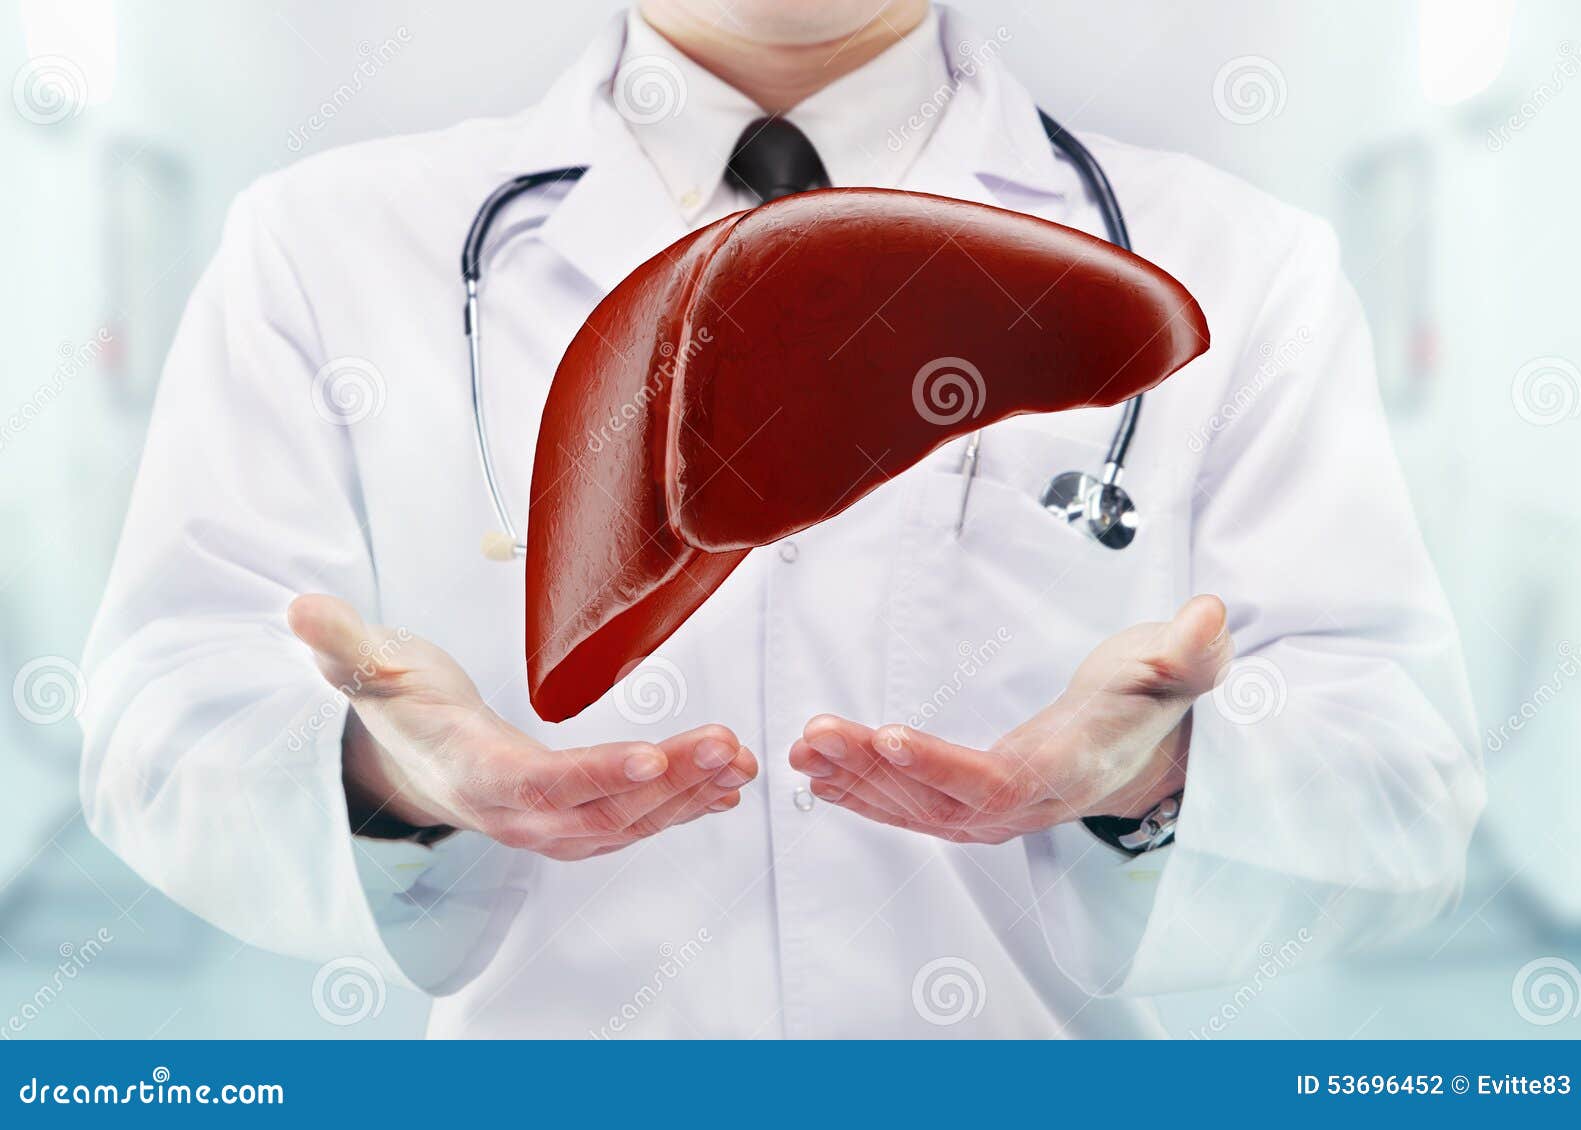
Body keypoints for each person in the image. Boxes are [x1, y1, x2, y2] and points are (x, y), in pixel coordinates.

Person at [79, 0, 1485, 1037]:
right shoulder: (328, 251)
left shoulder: (1234, 266)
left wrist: (1154, 770)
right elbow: (166, 712)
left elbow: (1403, 774)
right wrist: (393, 778)